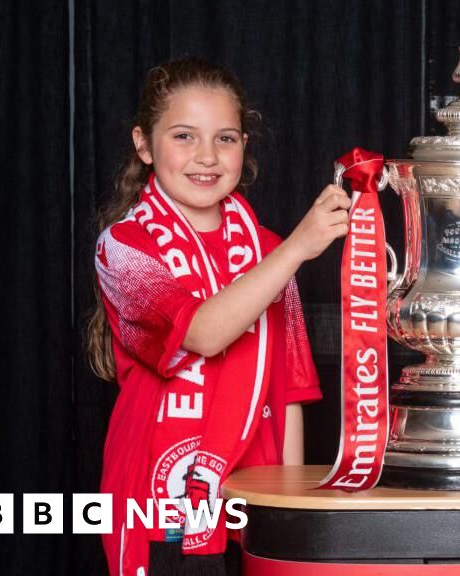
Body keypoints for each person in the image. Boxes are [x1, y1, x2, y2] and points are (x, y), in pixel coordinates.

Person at [86, 56, 350, 576]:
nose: (206, 156)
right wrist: (298, 248)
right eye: (184, 136)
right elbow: (202, 333)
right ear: (143, 144)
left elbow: (289, 393)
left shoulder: (270, 251)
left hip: (251, 489)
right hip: (161, 499)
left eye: (225, 138)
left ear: (244, 146)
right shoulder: (123, 248)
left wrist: (286, 512)